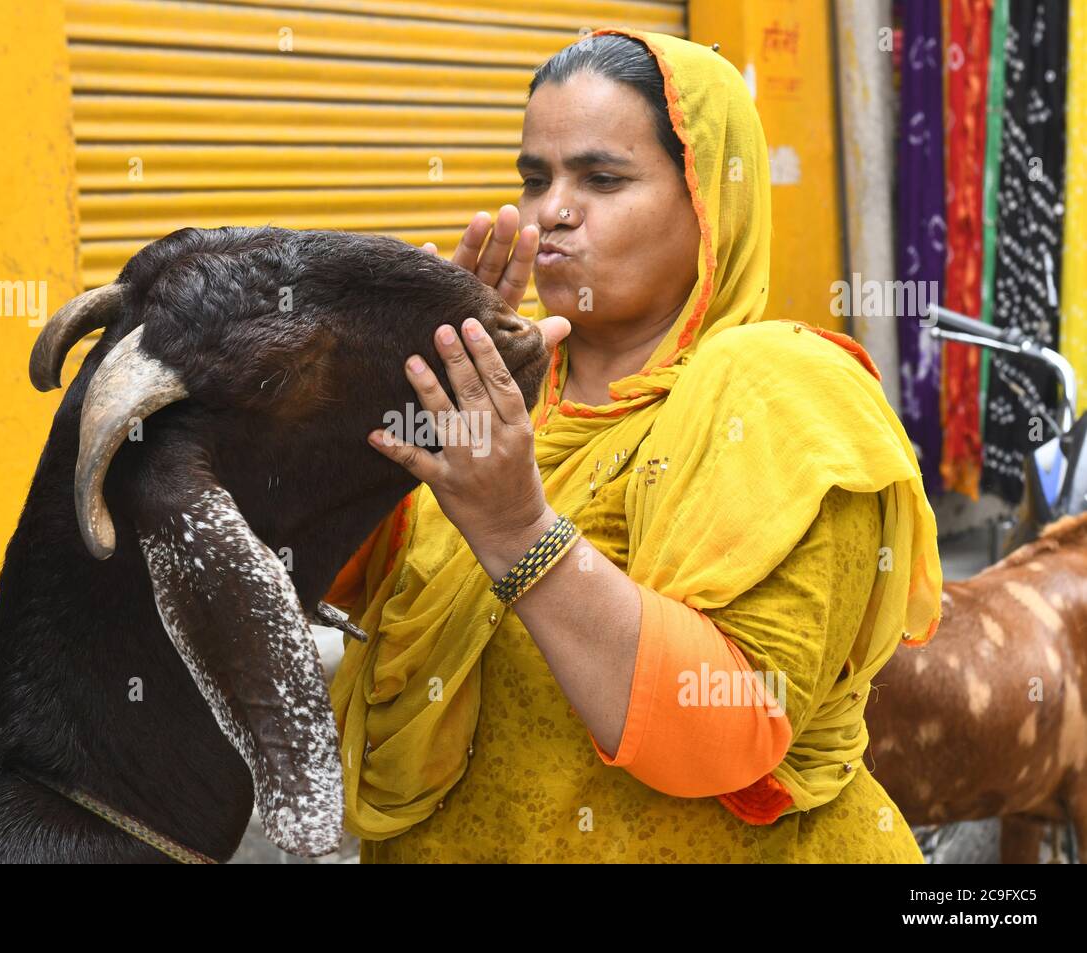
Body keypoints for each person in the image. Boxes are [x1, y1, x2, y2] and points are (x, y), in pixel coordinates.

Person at [325, 27, 943, 863]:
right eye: (536, 179)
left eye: (603, 178)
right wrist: (396, 386)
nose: (554, 210)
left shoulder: (781, 393)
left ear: (708, 203)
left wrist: (519, 533)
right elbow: (335, 586)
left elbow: (730, 724)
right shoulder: (499, 399)